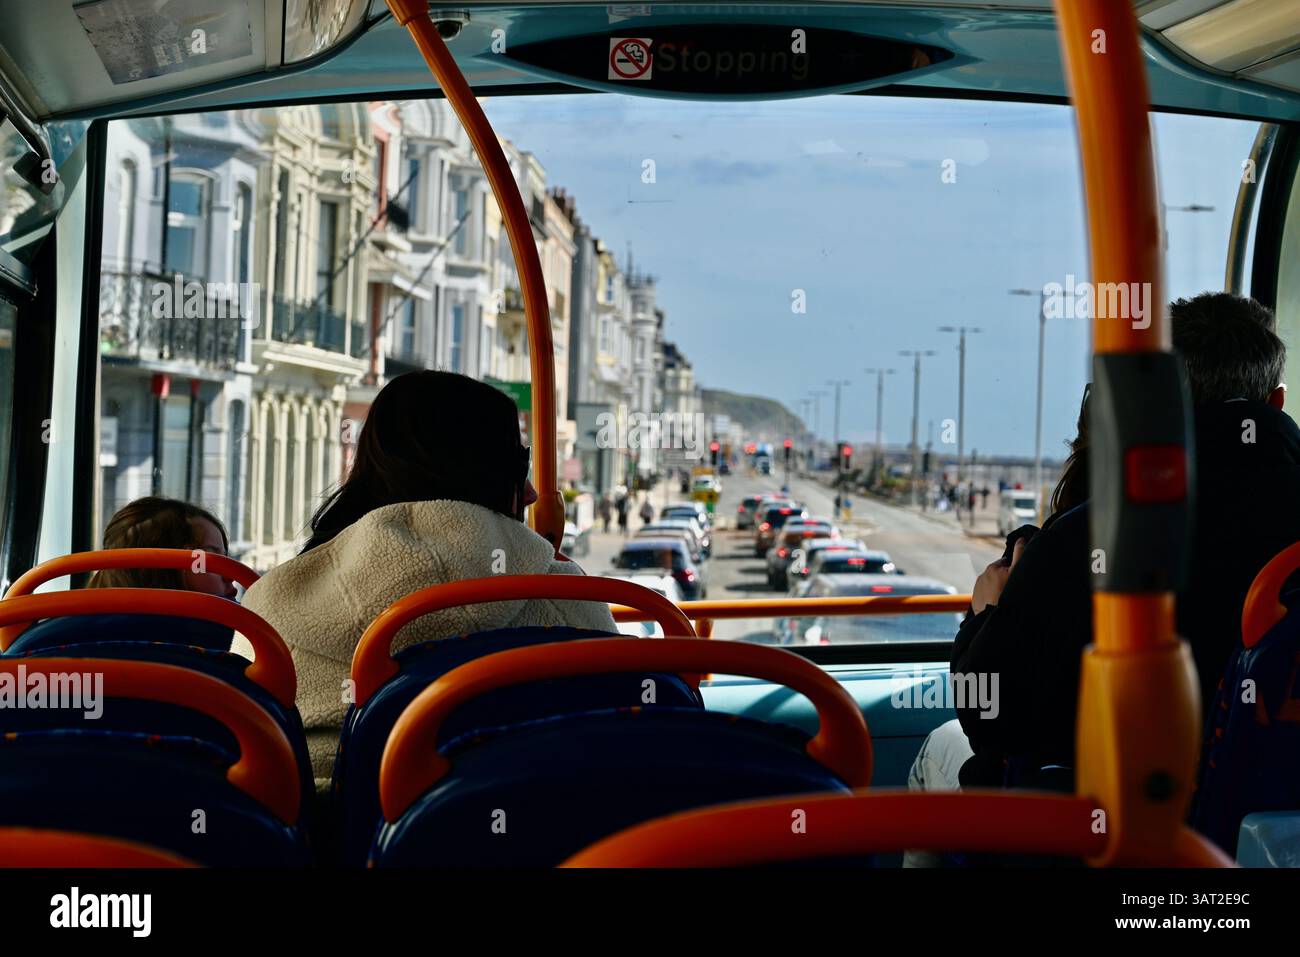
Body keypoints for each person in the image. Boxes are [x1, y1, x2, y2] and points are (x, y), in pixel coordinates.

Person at [908, 294, 1300, 810]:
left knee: (938, 751)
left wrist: (984, 617)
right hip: (1270, 822)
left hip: (1119, 826)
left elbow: (992, 718)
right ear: (1276, 401)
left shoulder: (1089, 537)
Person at [236, 371, 618, 788]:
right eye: (517, 466)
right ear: (487, 473)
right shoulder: (570, 600)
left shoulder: (272, 607)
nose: (529, 492)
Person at [88, 496, 238, 600]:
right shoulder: (239, 635)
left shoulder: (72, 625)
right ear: (159, 573)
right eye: (210, 560)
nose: (230, 576)